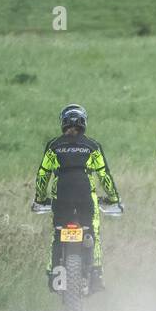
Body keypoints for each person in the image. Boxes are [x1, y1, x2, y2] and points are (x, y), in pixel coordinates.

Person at [32, 104, 121, 293]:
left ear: (63, 123)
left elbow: (43, 175)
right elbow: (104, 175)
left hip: (61, 195)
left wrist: (40, 198)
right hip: (85, 194)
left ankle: (54, 276)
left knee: (58, 234)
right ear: (84, 123)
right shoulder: (92, 146)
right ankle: (96, 275)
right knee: (92, 232)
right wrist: (113, 198)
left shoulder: (53, 145)